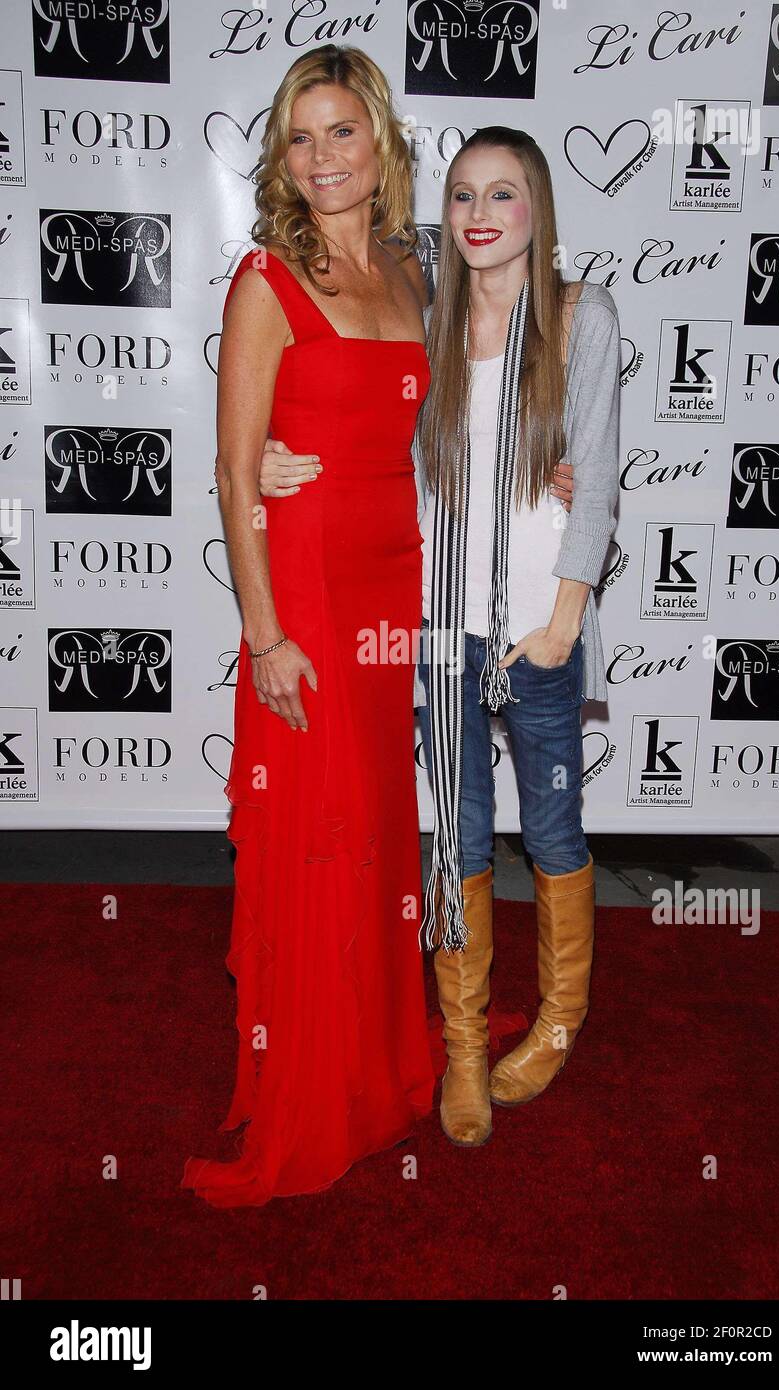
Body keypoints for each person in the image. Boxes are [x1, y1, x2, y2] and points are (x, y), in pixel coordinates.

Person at [259, 125, 621, 1152]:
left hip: (538, 635)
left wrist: (562, 622)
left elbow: (592, 475)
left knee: (549, 834)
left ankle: (557, 1020)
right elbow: (361, 417)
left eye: (503, 195)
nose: (479, 213)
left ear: (537, 210)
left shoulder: (583, 317)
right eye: (463, 194)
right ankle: (463, 1044)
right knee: (456, 837)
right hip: (441, 633)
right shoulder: (429, 314)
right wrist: (275, 457)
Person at [180, 44, 435, 1208]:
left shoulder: (410, 273)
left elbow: (441, 426)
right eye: (301, 136)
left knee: (380, 828)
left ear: (380, 143)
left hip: (395, 584)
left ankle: (380, 1070)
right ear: (282, 159)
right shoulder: (263, 283)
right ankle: (312, 1088)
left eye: (342, 131)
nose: (323, 157)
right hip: (312, 601)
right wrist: (268, 634)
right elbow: (235, 477)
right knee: (322, 834)